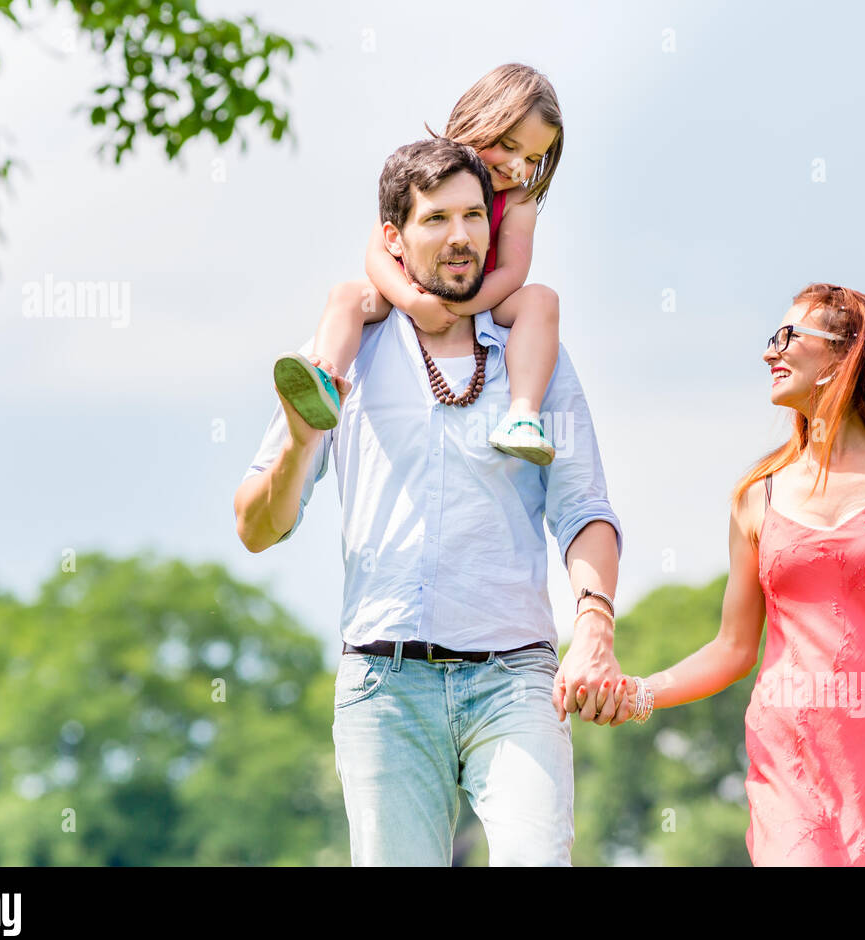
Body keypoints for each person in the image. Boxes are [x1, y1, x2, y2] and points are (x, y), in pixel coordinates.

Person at [233, 137, 625, 866]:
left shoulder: (531, 347)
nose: (461, 237)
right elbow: (258, 526)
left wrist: (595, 625)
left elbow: (584, 510)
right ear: (394, 238)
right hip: (385, 684)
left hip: (516, 679)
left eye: (475, 216)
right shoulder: (344, 351)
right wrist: (296, 440)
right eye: (437, 218)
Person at [607, 284, 865, 866]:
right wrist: (638, 693)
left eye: (788, 337)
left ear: (845, 353)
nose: (769, 353)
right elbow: (734, 647)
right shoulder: (754, 495)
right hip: (789, 759)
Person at [271, 63, 565, 465]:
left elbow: (512, 273)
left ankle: (523, 414)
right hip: (409, 288)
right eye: (509, 146)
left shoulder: (518, 201)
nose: (518, 167)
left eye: (533, 158)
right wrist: (413, 303)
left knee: (541, 300)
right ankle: (326, 377)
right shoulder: (424, 172)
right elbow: (377, 255)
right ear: (478, 121)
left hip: (480, 295)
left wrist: (460, 307)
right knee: (347, 296)